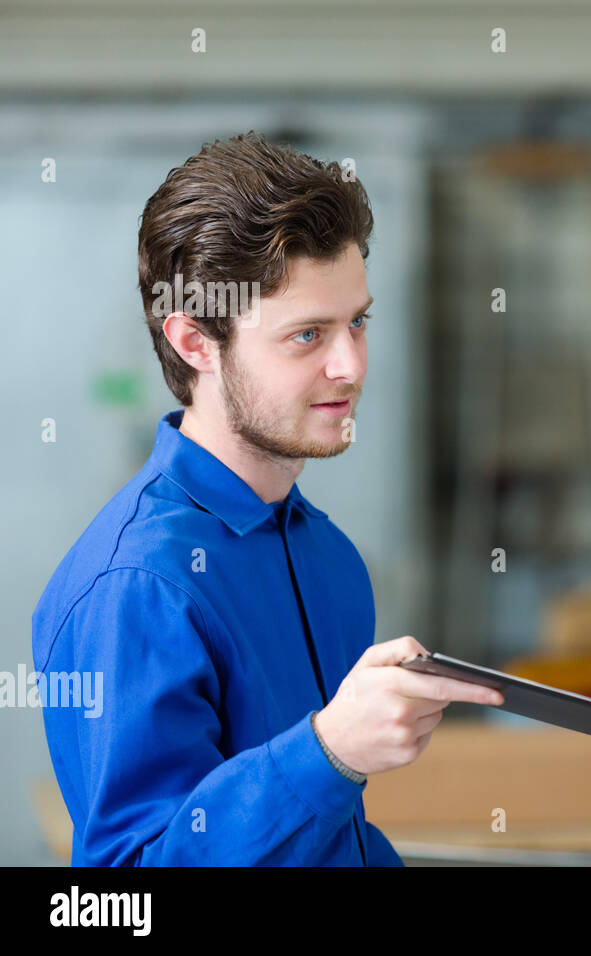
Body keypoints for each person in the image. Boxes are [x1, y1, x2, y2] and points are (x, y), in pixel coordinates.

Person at [32, 133, 502, 866]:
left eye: (358, 322)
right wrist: (331, 752)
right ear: (194, 343)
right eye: (307, 335)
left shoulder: (328, 557)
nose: (350, 365)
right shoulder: (135, 590)